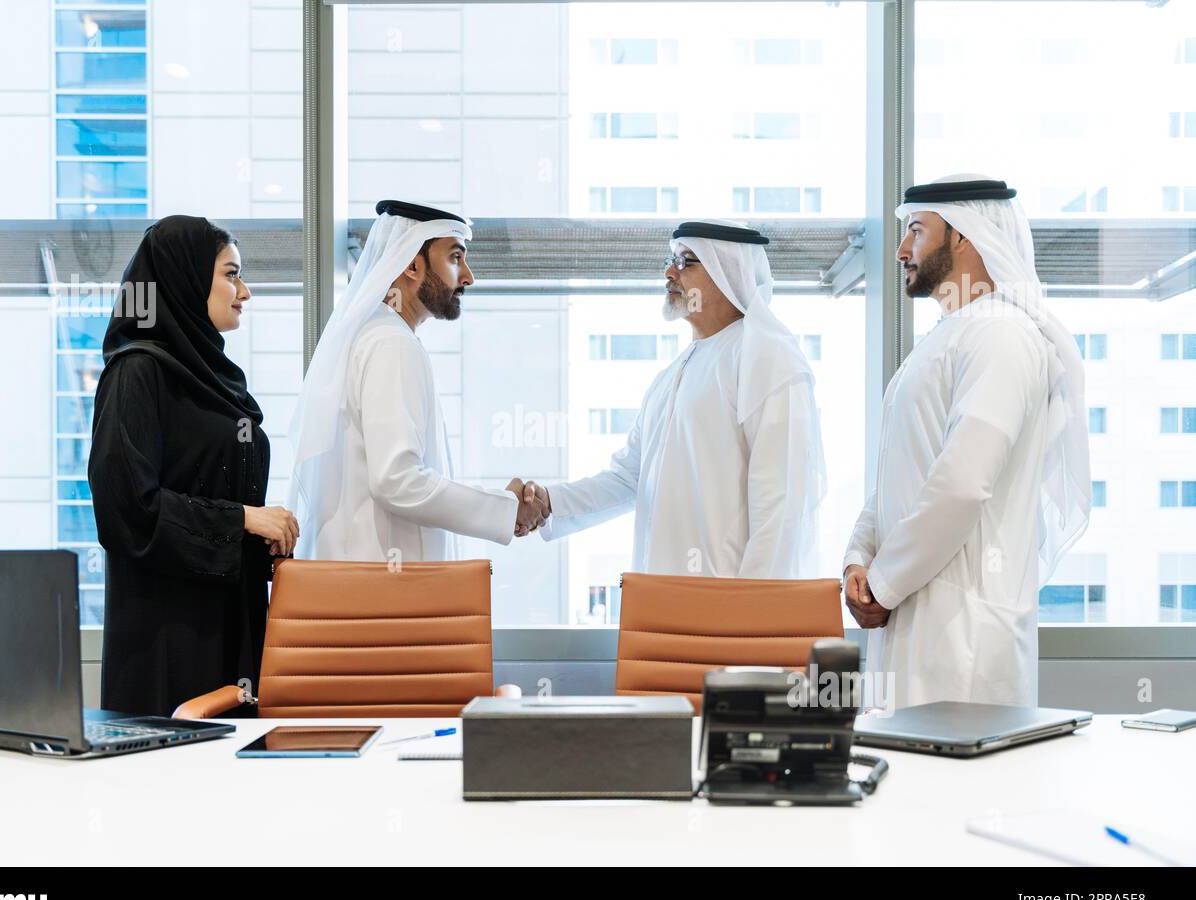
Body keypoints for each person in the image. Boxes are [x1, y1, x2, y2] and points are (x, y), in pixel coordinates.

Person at [843, 175, 1091, 708]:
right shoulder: (948, 336)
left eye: (915, 231)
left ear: (963, 236)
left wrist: (882, 586)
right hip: (910, 615)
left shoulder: (1003, 336)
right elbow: (900, 472)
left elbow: (960, 485)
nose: (902, 250)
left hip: (964, 636)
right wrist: (858, 559)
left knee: (957, 789)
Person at [517, 220, 825, 579]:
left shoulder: (767, 356)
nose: (669, 272)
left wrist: (748, 618)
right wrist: (548, 502)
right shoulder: (671, 376)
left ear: (730, 273)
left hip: (728, 613)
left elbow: (780, 506)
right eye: (671, 260)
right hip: (659, 601)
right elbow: (628, 479)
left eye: (686, 262)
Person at [89, 215, 299, 715]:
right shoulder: (136, 372)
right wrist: (243, 519)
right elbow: (126, 510)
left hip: (231, 621)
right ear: (183, 279)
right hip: (168, 636)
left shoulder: (214, 378)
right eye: (231, 274)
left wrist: (258, 538)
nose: (244, 292)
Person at [287, 200, 538, 561]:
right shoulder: (391, 343)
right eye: (455, 257)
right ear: (412, 264)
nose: (468, 276)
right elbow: (396, 480)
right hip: (383, 593)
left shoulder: (376, 335)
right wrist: (505, 508)